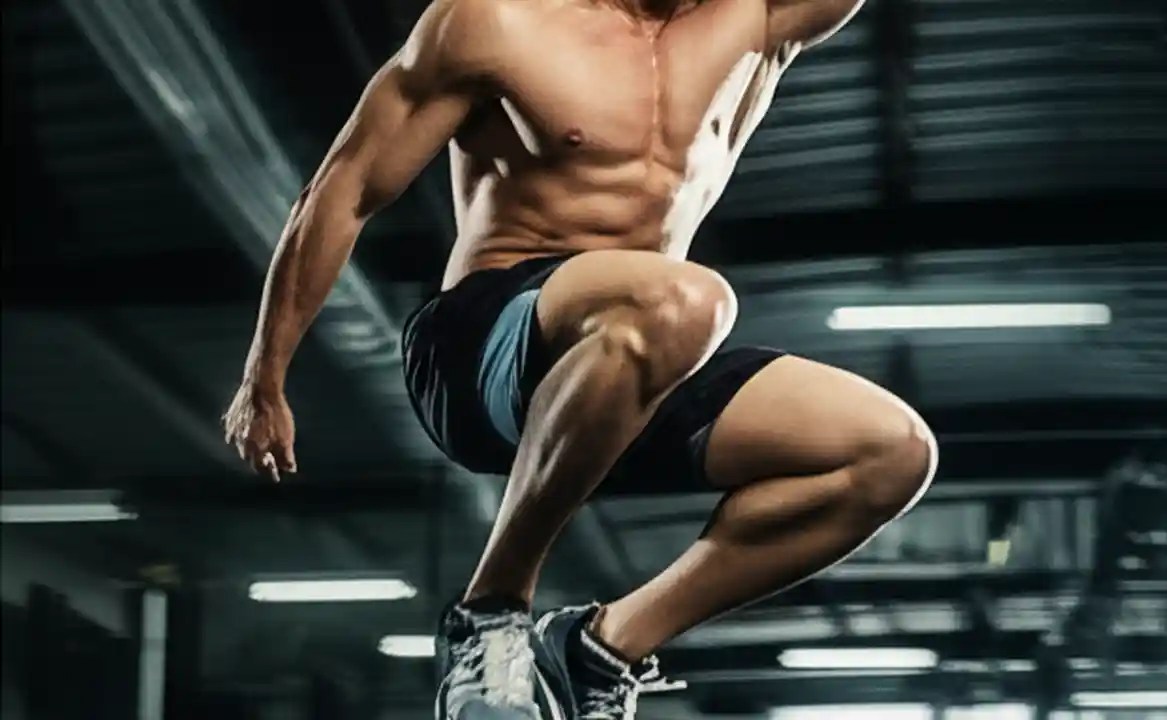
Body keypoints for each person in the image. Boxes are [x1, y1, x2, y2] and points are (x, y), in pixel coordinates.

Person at [222, 0, 937, 716]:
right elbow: (343, 189)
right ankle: (490, 613)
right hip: (482, 351)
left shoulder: (756, 20)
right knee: (687, 301)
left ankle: (600, 650)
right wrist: (265, 375)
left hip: (644, 356)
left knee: (889, 453)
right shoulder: (494, 21)